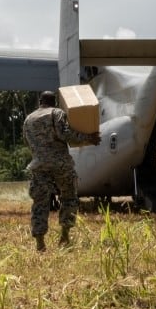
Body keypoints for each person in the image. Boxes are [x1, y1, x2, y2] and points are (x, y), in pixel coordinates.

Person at [23, 90, 101, 251]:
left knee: (40, 202)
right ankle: (64, 236)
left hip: (39, 165)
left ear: (40, 101)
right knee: (69, 197)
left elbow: (27, 141)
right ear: (56, 102)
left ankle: (40, 244)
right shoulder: (56, 113)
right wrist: (89, 138)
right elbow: (65, 134)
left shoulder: (29, 119)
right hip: (61, 164)